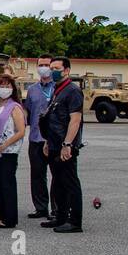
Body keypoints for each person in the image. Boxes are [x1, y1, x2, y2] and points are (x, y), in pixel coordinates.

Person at [41, 56, 84, 234]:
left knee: (70, 182)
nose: (53, 71)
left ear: (67, 70)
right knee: (57, 182)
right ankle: (60, 216)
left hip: (64, 145)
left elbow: (75, 120)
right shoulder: (58, 90)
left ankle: (75, 221)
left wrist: (68, 144)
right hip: (53, 143)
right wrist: (47, 141)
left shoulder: (72, 91)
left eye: (56, 68)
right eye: (51, 68)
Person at [0, 73, 27, 229]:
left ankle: (10, 218)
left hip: (8, 151)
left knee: (7, 184)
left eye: (7, 86)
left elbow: (21, 131)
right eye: (1, 86)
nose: (4, 89)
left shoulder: (14, 107)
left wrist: (4, 145)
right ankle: (1, 217)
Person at [24, 54, 55, 220]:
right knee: (37, 175)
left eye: (47, 64)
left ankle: (57, 209)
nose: (44, 67)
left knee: (57, 175)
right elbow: (28, 111)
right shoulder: (32, 90)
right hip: (36, 138)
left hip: (54, 139)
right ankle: (41, 207)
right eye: (41, 64)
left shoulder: (59, 87)